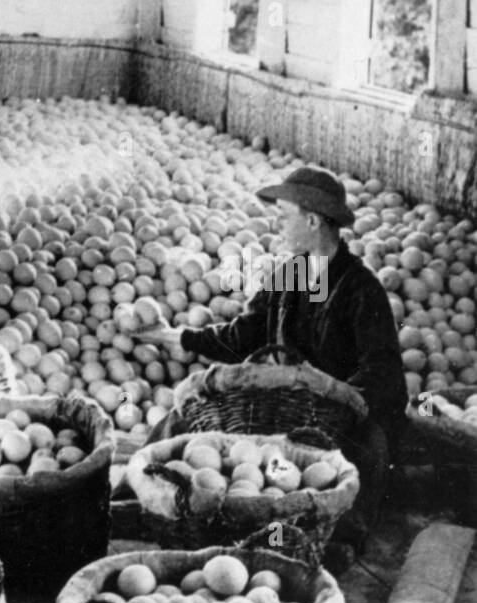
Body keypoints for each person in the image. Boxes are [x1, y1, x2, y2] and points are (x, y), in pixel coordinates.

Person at [140, 167, 408, 565]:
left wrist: (332, 393)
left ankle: (333, 539)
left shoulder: (361, 289)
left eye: (285, 214)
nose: (278, 223)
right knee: (177, 425)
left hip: (334, 424)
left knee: (369, 446)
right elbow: (244, 336)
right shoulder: (292, 274)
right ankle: (148, 507)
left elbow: (385, 377)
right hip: (280, 410)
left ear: (313, 220)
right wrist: (175, 336)